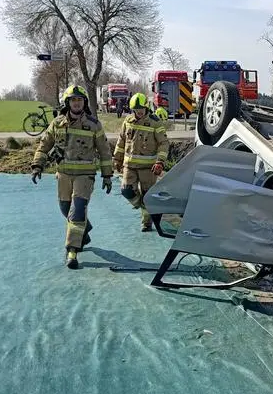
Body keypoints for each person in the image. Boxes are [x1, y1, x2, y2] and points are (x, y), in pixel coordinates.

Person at [30, 85, 114, 269]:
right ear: (67, 103)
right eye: (73, 100)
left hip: (85, 175)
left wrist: (107, 175)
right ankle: (85, 230)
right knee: (65, 208)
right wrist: (37, 165)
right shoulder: (57, 123)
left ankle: (72, 251)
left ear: (84, 103)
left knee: (77, 211)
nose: (77, 103)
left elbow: (104, 151)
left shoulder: (94, 125)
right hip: (64, 175)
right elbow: (44, 145)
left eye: (80, 100)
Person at [113, 92, 169, 232]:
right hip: (129, 165)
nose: (139, 113)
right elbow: (121, 141)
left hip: (148, 168)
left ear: (146, 108)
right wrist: (117, 159)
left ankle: (146, 223)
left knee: (147, 194)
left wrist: (160, 162)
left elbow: (164, 143)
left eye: (141, 110)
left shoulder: (155, 123)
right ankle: (144, 208)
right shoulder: (128, 121)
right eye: (136, 110)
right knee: (126, 190)